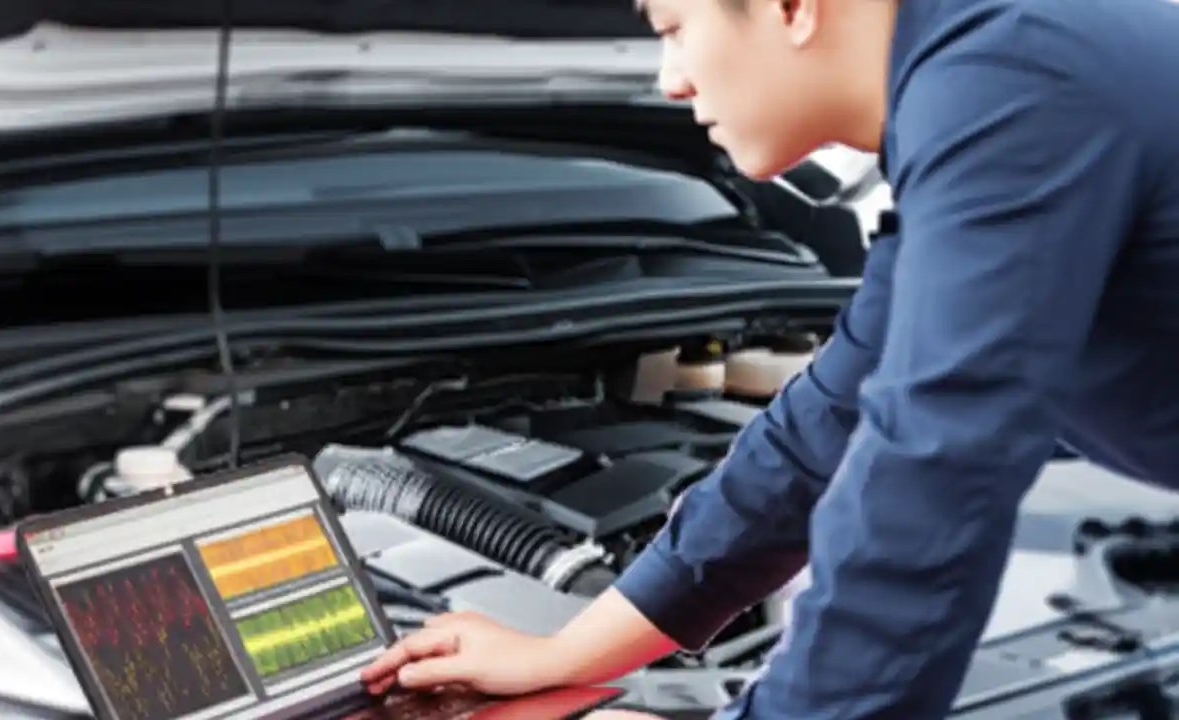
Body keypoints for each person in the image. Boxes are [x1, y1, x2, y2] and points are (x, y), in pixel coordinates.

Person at [360, 0, 1179, 716]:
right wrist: (563, 655)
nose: (669, 81)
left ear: (793, 6)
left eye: (675, 29)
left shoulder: (1009, 89)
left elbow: (928, 484)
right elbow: (820, 433)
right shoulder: (990, 71)